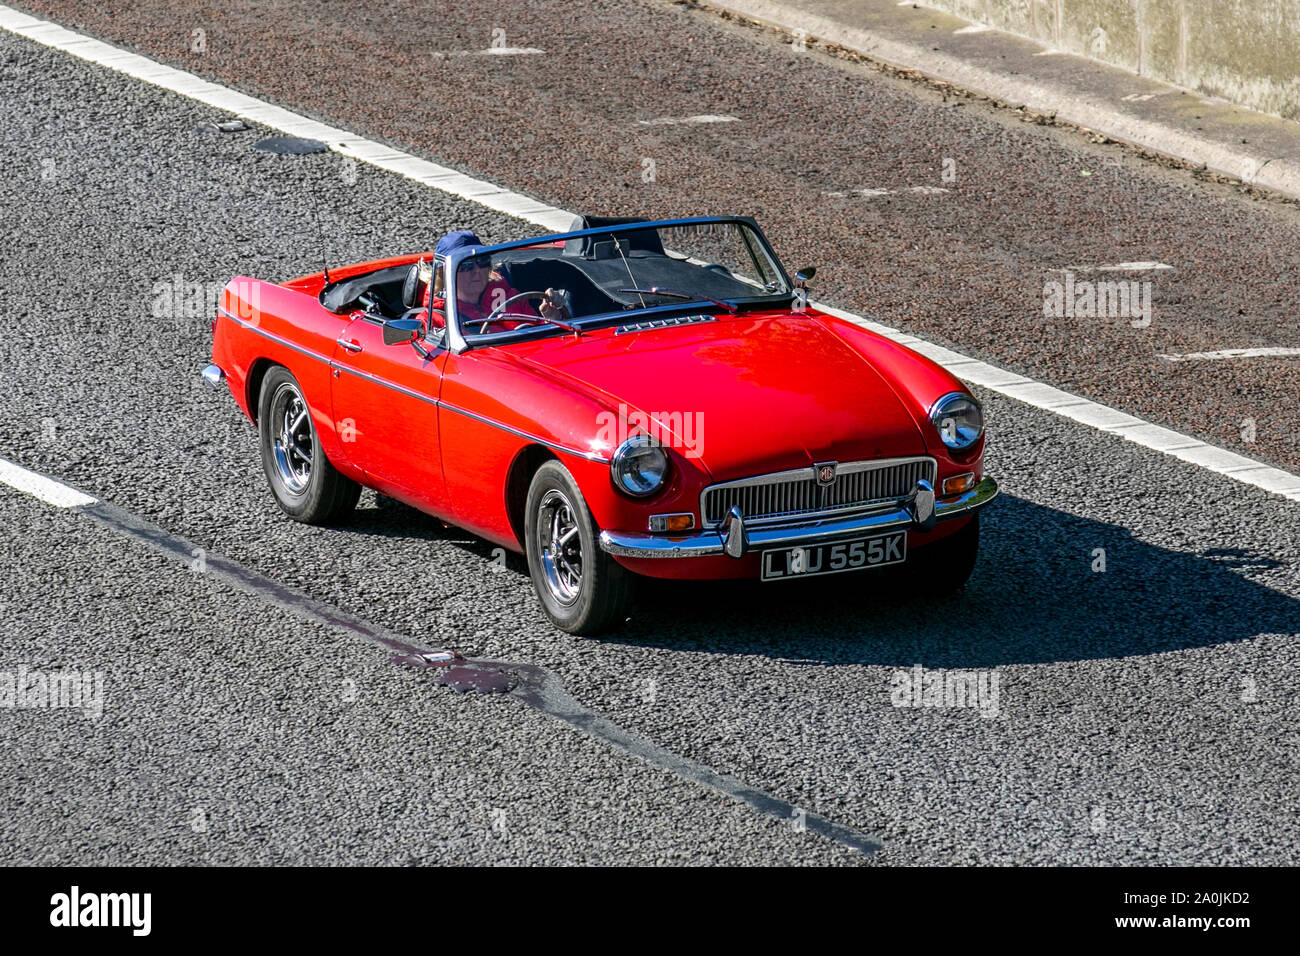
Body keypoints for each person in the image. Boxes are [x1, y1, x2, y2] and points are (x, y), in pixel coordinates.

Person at [426, 230, 567, 332]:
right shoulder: (433, 318)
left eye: (482, 261)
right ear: (443, 273)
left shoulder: (511, 297)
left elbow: (539, 340)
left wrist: (552, 319)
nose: (477, 270)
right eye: (466, 265)